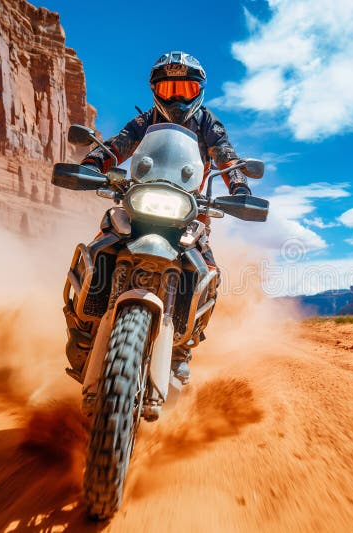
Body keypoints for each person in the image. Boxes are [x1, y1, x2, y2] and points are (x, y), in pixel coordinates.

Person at [80, 51, 250, 384]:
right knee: (102, 242)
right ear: (156, 90)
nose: (175, 97)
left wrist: (239, 187)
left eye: (184, 90)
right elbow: (118, 144)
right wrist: (93, 163)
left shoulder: (208, 125)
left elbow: (227, 157)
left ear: (197, 92)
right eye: (168, 88)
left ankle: (181, 349)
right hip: (138, 203)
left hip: (189, 211)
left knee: (209, 270)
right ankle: (84, 323)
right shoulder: (144, 123)